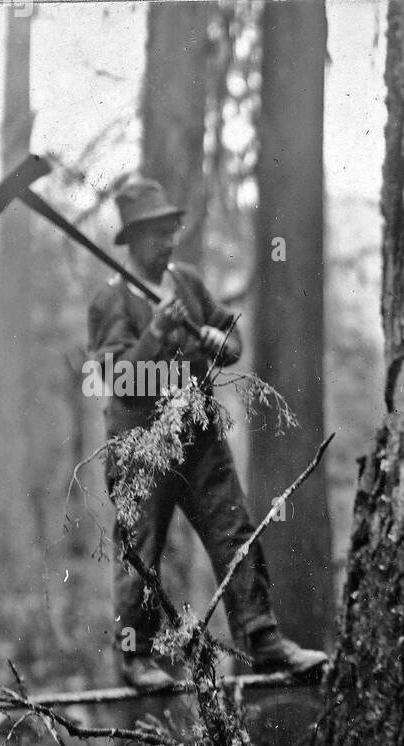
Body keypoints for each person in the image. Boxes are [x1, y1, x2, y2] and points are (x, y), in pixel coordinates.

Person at [88, 177, 328, 688]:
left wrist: (221, 337)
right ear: (132, 240)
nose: (167, 242)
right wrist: (154, 333)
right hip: (142, 449)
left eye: (170, 231)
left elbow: (232, 340)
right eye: (154, 235)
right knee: (140, 550)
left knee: (235, 534)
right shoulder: (110, 304)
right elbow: (121, 382)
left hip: (199, 439)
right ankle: (134, 658)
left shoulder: (188, 282)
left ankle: (262, 640)